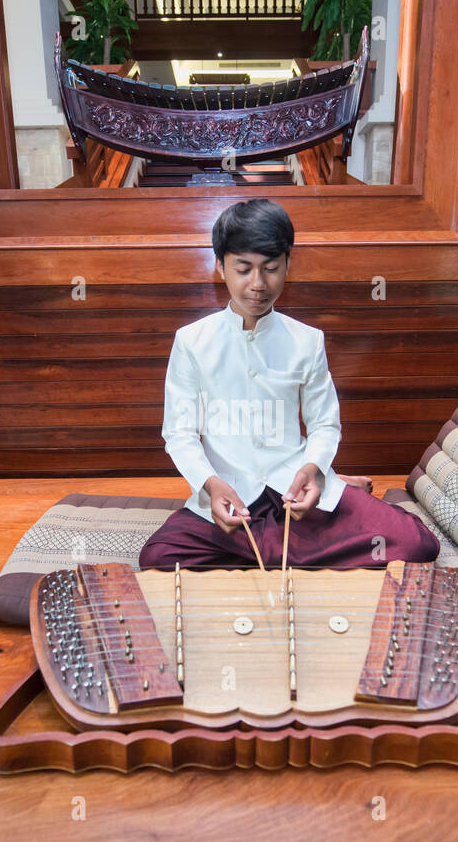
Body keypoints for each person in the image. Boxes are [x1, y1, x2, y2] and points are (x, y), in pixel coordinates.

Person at [138, 198, 440, 571]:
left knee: (418, 543)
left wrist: (315, 470)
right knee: (158, 557)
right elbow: (179, 434)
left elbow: (325, 424)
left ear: (287, 266)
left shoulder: (306, 340)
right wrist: (210, 484)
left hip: (294, 490)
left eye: (271, 269)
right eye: (243, 269)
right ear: (220, 266)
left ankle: (275, 546)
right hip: (230, 494)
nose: (257, 284)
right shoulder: (191, 341)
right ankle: (290, 551)